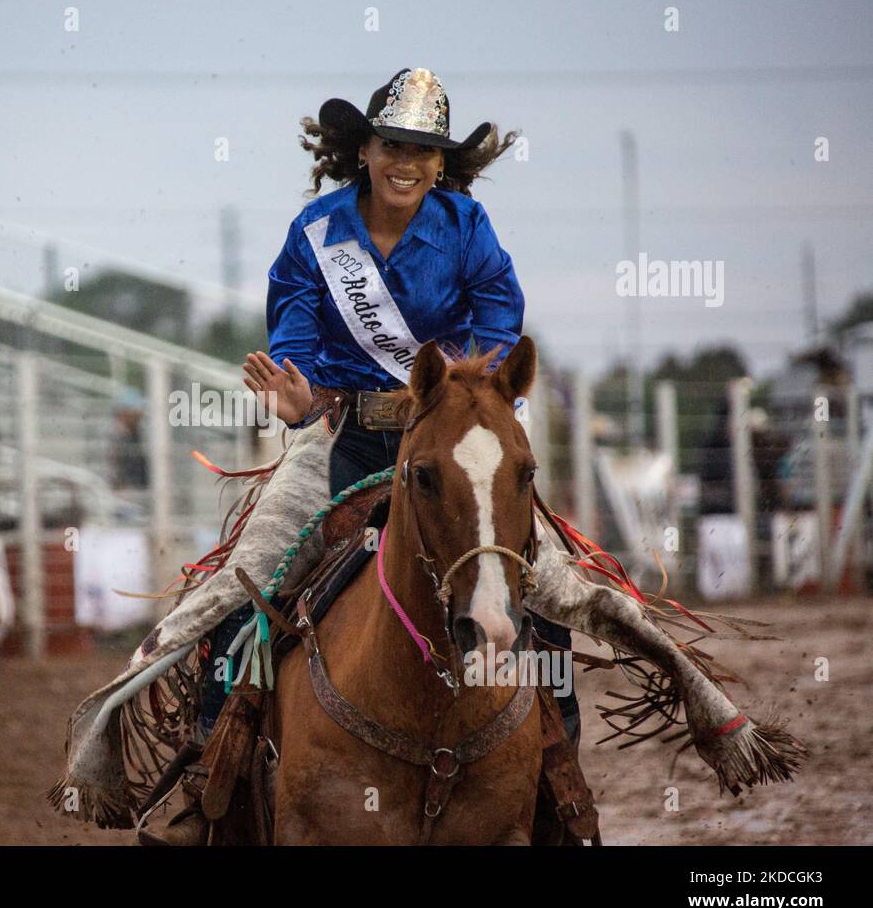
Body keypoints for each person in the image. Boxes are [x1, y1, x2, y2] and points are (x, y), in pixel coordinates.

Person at [145, 67, 578, 845]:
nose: (405, 161)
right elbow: (297, 339)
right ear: (365, 151)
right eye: (391, 144)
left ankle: (559, 779)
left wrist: (467, 403)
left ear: (440, 163)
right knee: (250, 588)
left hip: (450, 443)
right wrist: (298, 398)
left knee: (545, 598)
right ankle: (209, 770)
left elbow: (500, 326)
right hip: (344, 444)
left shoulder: (468, 229)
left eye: (421, 148)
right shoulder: (317, 232)